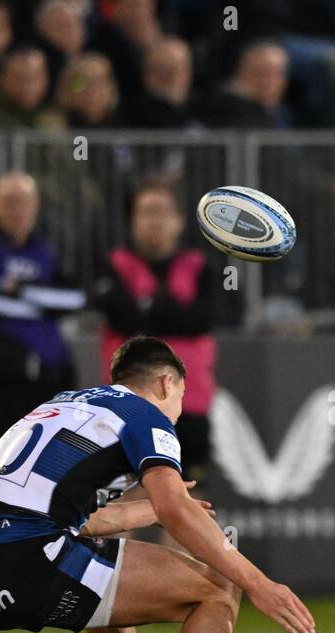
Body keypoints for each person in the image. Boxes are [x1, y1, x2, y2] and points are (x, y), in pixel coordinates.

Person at [0, 336, 315, 633]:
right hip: (35, 560)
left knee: (102, 583)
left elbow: (76, 519)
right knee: (218, 585)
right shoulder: (143, 414)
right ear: (166, 383)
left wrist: (146, 511)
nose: (179, 410)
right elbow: (176, 510)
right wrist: (259, 584)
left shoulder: (66, 406)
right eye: (181, 396)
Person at [95, 181, 224, 484]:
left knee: (187, 499)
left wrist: (148, 308)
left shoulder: (200, 265)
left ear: (179, 220)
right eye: (146, 212)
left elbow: (202, 320)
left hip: (188, 402)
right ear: (133, 220)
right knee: (123, 498)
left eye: (162, 212)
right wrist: (173, 313)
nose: (155, 221)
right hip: (128, 406)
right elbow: (121, 316)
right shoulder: (114, 264)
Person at [0, 172, 86, 468]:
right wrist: (44, 304)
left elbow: (76, 299)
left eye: (24, 203)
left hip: (54, 371)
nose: (17, 211)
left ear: (36, 206)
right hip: (4, 375)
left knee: (52, 469)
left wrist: (23, 292)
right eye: (9, 202)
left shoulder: (47, 248)